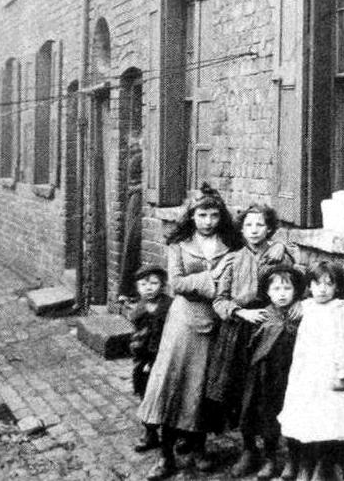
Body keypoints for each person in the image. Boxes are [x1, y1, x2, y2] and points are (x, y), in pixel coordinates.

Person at [137, 183, 243, 481]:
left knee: (203, 389)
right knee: (174, 385)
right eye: (202, 215)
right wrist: (211, 277)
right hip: (184, 324)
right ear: (192, 216)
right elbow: (177, 284)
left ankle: (198, 448)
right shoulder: (179, 245)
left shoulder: (231, 245)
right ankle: (166, 456)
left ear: (221, 217)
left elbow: (235, 282)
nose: (208, 221)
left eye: (213, 215)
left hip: (215, 322)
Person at [206, 204, 293, 438]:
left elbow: (291, 288)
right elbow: (220, 300)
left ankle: (271, 452)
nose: (254, 230)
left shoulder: (279, 255)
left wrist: (282, 246)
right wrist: (240, 312)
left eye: (260, 225)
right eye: (248, 225)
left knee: (267, 390)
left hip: (269, 330)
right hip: (239, 330)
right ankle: (248, 448)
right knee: (241, 390)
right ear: (242, 230)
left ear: (269, 229)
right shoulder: (233, 259)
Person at [278, 261, 344, 481]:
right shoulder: (306, 307)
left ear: (337, 288)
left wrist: (343, 370)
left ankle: (322, 466)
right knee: (303, 417)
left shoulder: (341, 311)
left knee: (325, 420)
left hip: (328, 374)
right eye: (317, 283)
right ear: (309, 286)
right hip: (305, 373)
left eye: (328, 284)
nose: (322, 289)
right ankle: (302, 462)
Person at [232, 265, 305, 480]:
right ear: (267, 291)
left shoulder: (300, 314)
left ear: (296, 291)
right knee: (266, 417)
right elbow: (251, 349)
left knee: (293, 417)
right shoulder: (263, 315)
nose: (282, 294)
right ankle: (270, 459)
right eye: (276, 289)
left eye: (287, 288)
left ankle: (293, 460)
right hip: (265, 377)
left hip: (292, 377)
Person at [128, 264, 173, 454]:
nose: (148, 287)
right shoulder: (138, 309)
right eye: (143, 284)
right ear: (138, 287)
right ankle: (150, 432)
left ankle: (173, 434)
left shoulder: (169, 306)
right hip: (143, 359)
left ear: (162, 286)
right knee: (145, 393)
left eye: (154, 283)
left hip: (164, 357)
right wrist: (141, 358)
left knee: (166, 394)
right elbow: (137, 337)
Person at [118, 142, 144, 299]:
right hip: (137, 201)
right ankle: (127, 289)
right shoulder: (137, 159)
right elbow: (132, 185)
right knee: (133, 241)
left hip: (139, 199)